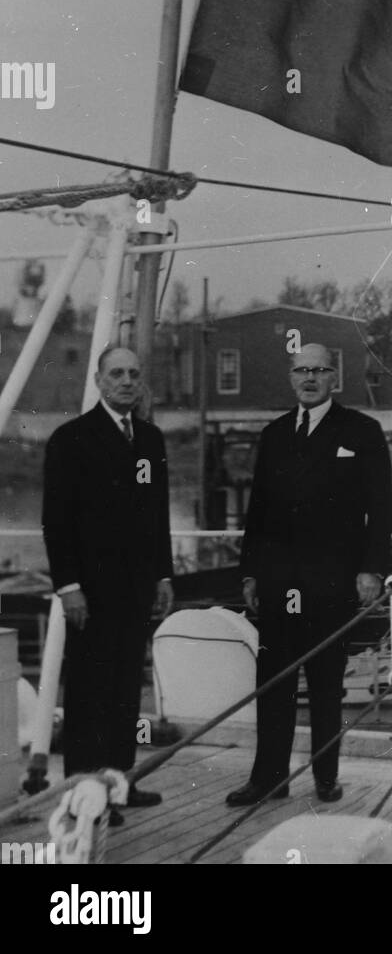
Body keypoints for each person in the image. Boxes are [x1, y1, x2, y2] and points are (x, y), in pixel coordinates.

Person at [226, 343, 392, 806]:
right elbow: (257, 511)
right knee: (274, 682)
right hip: (279, 582)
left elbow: (381, 510)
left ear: (333, 378)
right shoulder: (275, 434)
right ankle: (269, 779)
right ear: (291, 376)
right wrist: (251, 574)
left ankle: (326, 777)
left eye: (319, 370)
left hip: (334, 580)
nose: (310, 378)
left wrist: (371, 570)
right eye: (302, 370)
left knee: (325, 683)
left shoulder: (362, 431)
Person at [42, 346, 174, 819]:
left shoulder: (151, 441)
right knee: (87, 693)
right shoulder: (71, 440)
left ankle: (119, 783)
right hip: (90, 593)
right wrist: (68, 586)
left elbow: (156, 516)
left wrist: (163, 574)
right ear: (98, 380)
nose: (125, 381)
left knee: (123, 691)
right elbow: (56, 522)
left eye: (133, 374)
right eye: (116, 373)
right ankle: (82, 793)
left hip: (136, 589)